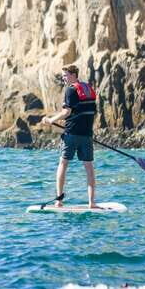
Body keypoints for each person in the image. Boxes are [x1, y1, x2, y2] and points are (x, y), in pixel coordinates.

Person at [42, 64, 98, 208]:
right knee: (89, 167)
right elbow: (92, 112)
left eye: (65, 75)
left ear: (73, 75)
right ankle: (92, 203)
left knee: (63, 164)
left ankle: (59, 201)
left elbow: (66, 112)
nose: (64, 78)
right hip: (86, 135)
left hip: (72, 134)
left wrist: (50, 120)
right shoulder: (89, 89)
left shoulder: (71, 90)